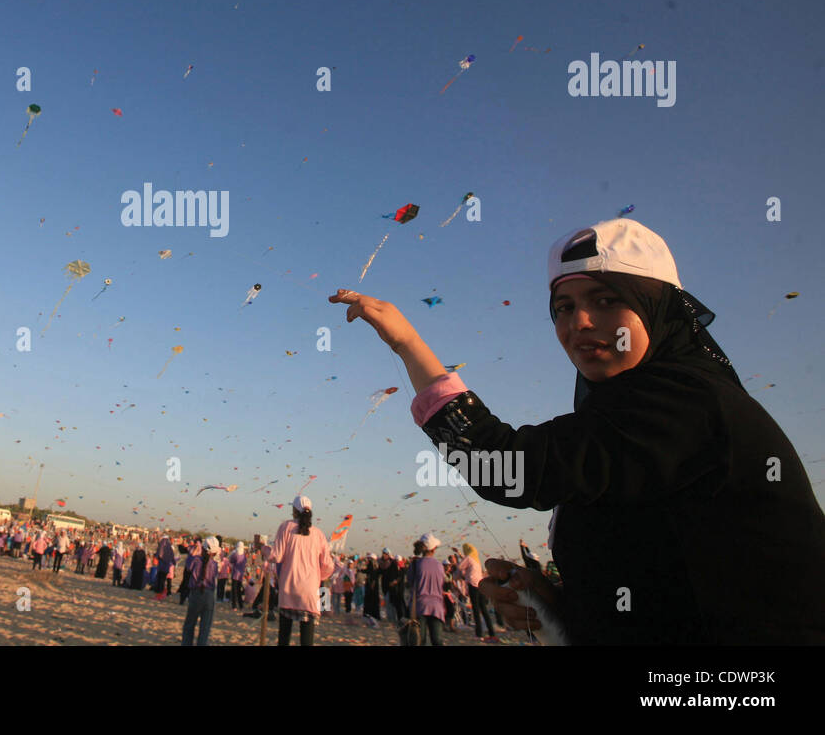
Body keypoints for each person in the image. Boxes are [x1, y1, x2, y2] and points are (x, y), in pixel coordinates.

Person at [333, 217, 825, 644]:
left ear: (658, 310)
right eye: (563, 307)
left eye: (606, 300)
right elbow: (675, 584)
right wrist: (561, 603)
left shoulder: (684, 400)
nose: (581, 322)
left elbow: (505, 466)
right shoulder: (627, 417)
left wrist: (406, 341)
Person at [266, 497, 334, 645]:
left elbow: (276, 556)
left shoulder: (285, 527)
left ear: (294, 511)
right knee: (307, 640)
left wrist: (263, 548)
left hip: (289, 588)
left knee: (284, 637)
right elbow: (328, 565)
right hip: (309, 592)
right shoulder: (318, 534)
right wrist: (317, 577)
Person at [406, 536, 447, 645]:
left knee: (420, 640)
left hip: (419, 606)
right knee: (437, 641)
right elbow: (442, 583)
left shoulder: (415, 564)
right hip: (437, 607)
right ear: (433, 549)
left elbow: (410, 583)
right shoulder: (440, 566)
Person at [181, 537, 220, 646]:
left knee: (189, 624)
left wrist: (193, 552)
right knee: (205, 628)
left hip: (196, 594)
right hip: (209, 595)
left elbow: (188, 567)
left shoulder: (196, 560)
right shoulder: (214, 564)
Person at [458, 542, 496, 641]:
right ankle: (492, 633)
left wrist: (461, 574)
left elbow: (460, 566)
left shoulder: (469, 558)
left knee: (476, 610)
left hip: (473, 585)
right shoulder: (476, 560)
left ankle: (479, 634)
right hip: (480, 586)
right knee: (484, 610)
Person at [362, 553, 381, 626]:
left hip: (371, 588)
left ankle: (370, 616)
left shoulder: (372, 564)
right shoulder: (375, 565)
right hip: (372, 587)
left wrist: (372, 583)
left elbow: (372, 575)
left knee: (370, 602)